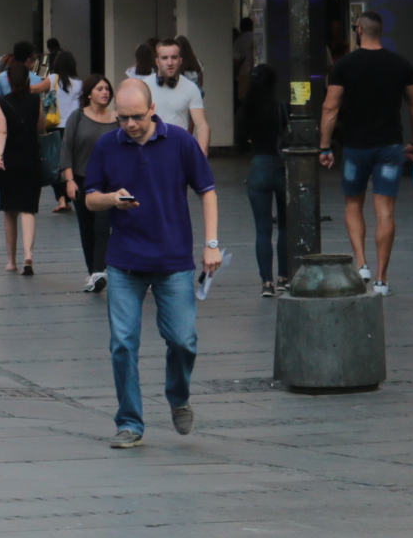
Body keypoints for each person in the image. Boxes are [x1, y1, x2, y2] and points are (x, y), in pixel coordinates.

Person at [82, 78, 222, 448]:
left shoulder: (180, 141)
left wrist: (211, 244)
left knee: (183, 340)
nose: (130, 124)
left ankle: (178, 396)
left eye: (137, 117)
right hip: (124, 262)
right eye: (123, 117)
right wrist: (111, 199)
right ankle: (130, 423)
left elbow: (207, 190)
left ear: (153, 110)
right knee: (123, 344)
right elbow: (90, 198)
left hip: (173, 261)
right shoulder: (107, 145)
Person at [318, 10, 413, 296]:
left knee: (353, 204)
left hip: (355, 147)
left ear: (359, 31)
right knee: (385, 210)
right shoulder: (401, 65)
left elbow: (330, 107)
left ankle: (361, 263)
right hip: (389, 146)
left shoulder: (344, 65)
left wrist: (325, 146)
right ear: (380, 31)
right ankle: (381, 279)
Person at [63, 75, 118, 292]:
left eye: (107, 89)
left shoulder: (117, 119)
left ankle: (99, 270)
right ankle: (93, 274)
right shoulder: (77, 117)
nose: (105, 92)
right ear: (89, 94)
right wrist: (69, 180)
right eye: (99, 89)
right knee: (87, 228)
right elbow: (66, 149)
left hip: (109, 182)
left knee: (103, 225)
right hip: (82, 179)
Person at [0, 48, 44, 275]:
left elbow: (1, 131)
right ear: (27, 79)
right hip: (31, 159)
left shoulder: (0, 103)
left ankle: (11, 260)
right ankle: (28, 254)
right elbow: (41, 127)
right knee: (28, 209)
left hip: (10, 160)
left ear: (8, 80)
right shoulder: (35, 100)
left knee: (9, 210)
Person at [241, 63, 290, 297]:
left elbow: (240, 142)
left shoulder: (247, 109)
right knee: (285, 226)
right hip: (281, 167)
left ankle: (267, 283)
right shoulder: (281, 108)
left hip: (258, 167)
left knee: (262, 230)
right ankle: (284, 277)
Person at [145, 39, 210, 151]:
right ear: (157, 62)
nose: (170, 63)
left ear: (180, 61)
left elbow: (202, 126)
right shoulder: (144, 86)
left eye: (174, 58)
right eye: (164, 58)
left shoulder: (191, 88)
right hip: (150, 150)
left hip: (179, 150)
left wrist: (202, 155)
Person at [46, 49, 84, 211]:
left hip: (55, 126)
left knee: (56, 164)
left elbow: (33, 89)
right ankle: (74, 194)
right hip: (74, 127)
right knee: (72, 162)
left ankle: (62, 200)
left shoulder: (52, 79)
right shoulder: (79, 84)